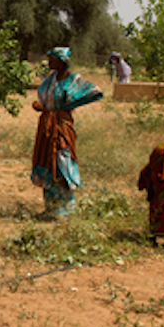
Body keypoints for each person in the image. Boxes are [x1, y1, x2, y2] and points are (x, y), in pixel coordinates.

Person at [30, 47, 103, 218]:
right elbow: (44, 100)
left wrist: (65, 108)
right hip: (46, 127)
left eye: (51, 59)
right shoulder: (49, 79)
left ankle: (65, 210)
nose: (48, 63)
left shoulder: (73, 80)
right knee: (47, 160)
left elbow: (94, 92)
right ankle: (51, 209)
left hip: (62, 126)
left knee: (62, 159)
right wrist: (45, 109)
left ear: (61, 62)